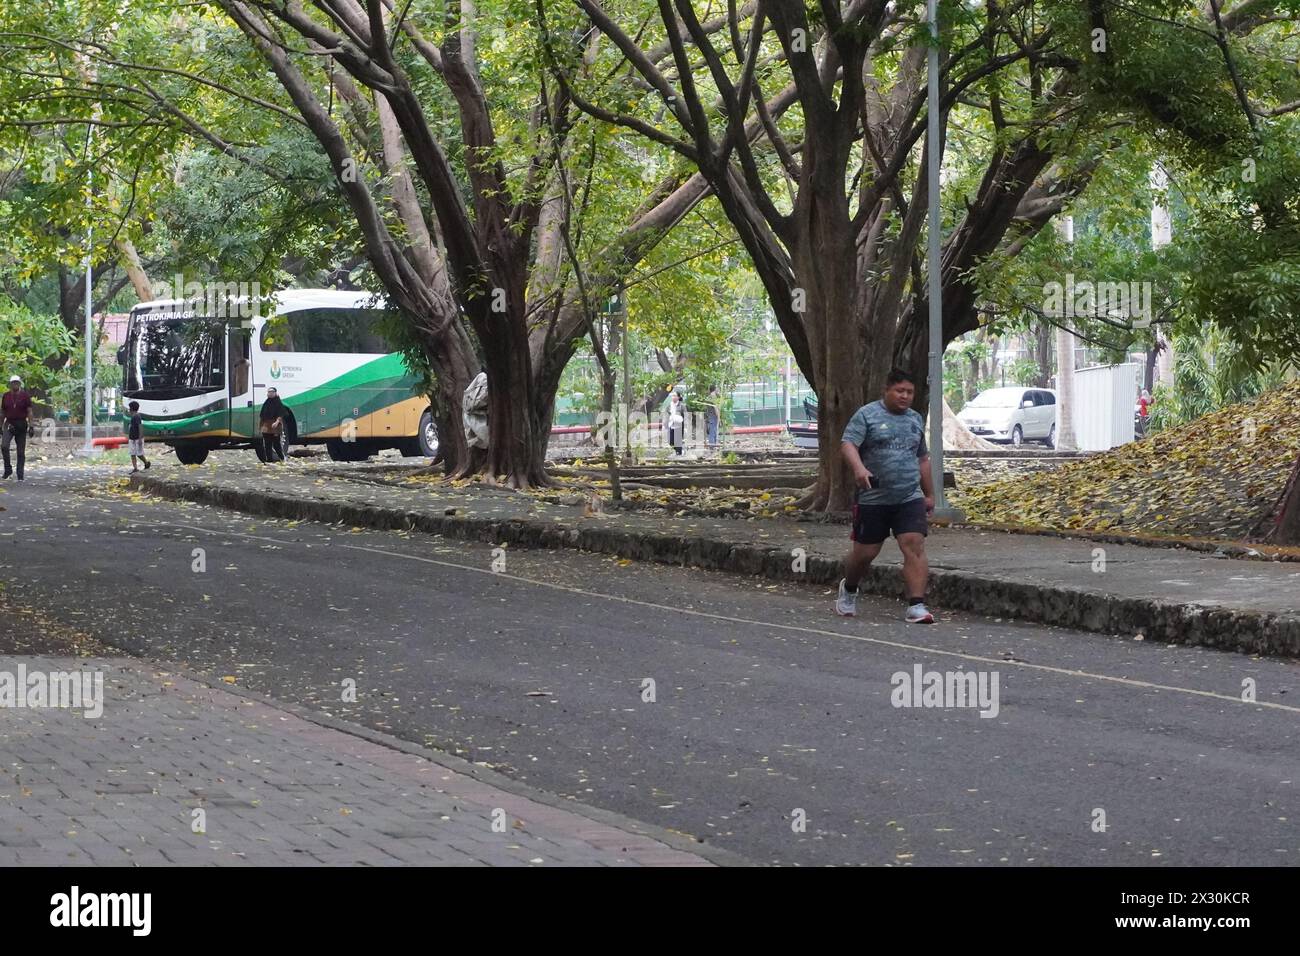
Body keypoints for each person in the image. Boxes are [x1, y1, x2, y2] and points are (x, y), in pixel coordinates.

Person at [836, 368, 936, 624]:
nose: (905, 396)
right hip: (873, 497)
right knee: (865, 553)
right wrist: (859, 468)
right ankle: (849, 589)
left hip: (908, 496)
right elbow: (848, 444)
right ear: (887, 390)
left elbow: (922, 458)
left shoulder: (915, 419)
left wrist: (930, 493)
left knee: (914, 544)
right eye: (899, 391)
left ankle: (916, 605)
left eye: (909, 392)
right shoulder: (867, 415)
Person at [2, 375, 32, 481]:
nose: (15, 384)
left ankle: (20, 474)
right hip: (9, 423)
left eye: (17, 382)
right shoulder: (5, 396)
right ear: (10, 384)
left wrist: (31, 425)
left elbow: (29, 411)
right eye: (13, 382)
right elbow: (3, 412)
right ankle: (8, 470)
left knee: (20, 451)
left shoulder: (25, 396)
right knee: (4, 446)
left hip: (21, 424)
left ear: (19, 384)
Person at [259, 387, 287, 462]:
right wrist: (262, 427)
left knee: (276, 444)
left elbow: (281, 414)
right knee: (267, 445)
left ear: (275, 393)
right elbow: (262, 415)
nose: (270, 394)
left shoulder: (278, 403)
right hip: (267, 427)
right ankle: (269, 460)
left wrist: (277, 422)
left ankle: (283, 458)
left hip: (275, 427)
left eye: (272, 392)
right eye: (269, 392)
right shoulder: (266, 402)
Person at [126, 401, 150, 472]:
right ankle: (135, 468)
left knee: (139, 454)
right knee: (132, 453)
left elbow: (140, 427)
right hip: (132, 438)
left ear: (132, 409)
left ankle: (146, 462)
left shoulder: (137, 416)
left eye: (129, 408)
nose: (129, 410)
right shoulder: (133, 417)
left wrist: (140, 438)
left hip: (137, 438)